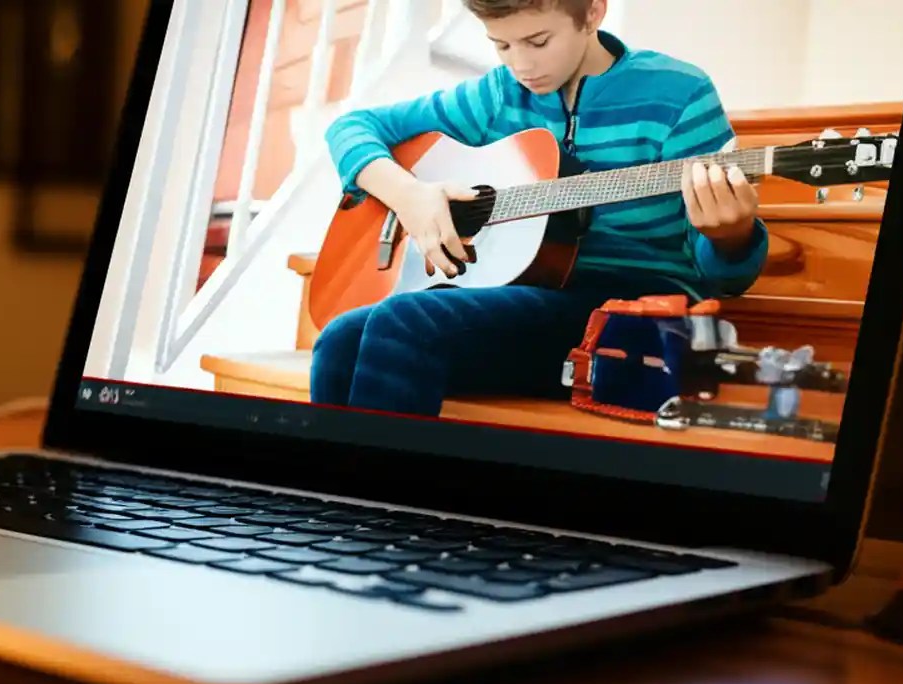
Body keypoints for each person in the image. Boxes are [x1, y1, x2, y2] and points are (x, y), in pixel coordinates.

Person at [309, 0, 767, 417]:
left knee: (403, 322)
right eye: (501, 45)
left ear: (592, 13)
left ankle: (386, 507)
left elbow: (720, 279)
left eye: (538, 41)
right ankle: (324, 505)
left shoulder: (678, 94)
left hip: (630, 316)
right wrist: (410, 197)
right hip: (523, 289)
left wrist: (730, 236)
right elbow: (352, 127)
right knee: (340, 338)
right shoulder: (499, 94)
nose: (520, 64)